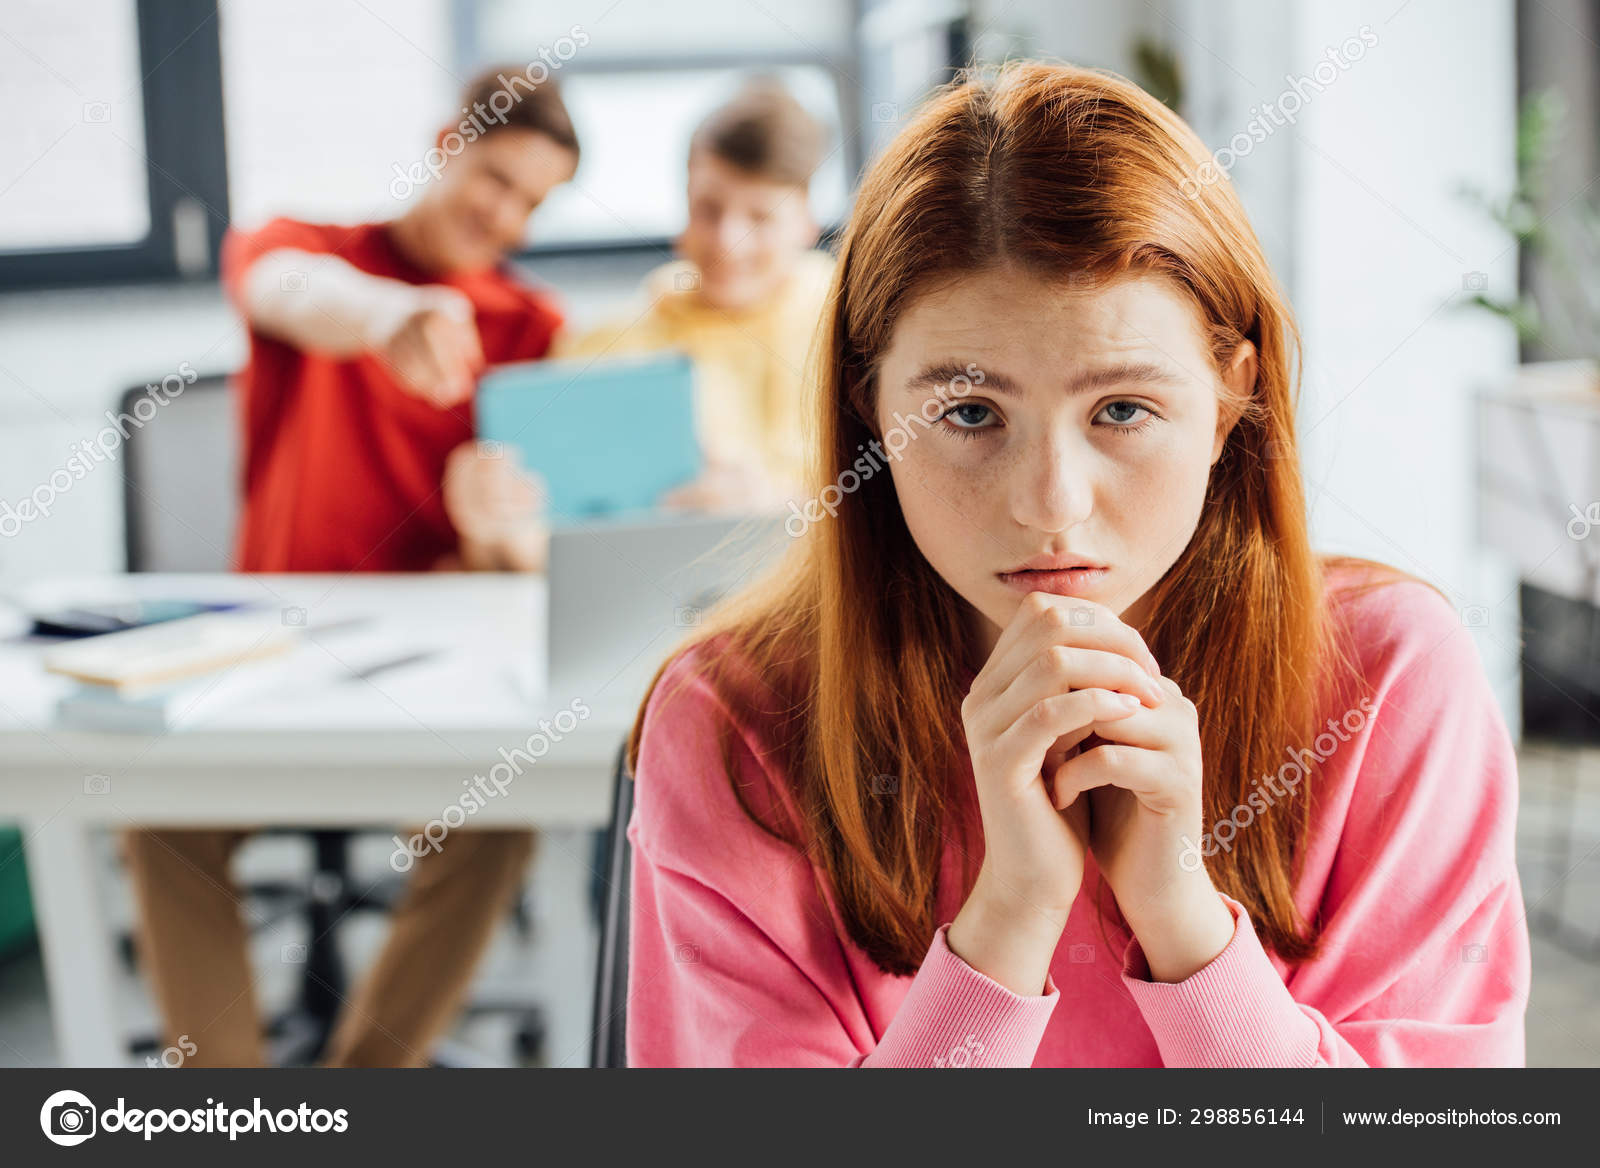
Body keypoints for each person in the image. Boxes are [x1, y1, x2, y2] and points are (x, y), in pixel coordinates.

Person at [622, 62, 1530, 1067]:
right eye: (968, 414)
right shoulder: (732, 721)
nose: (1050, 501)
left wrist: (1183, 920)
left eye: (1122, 410)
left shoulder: (1390, 679)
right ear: (867, 405)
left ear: (1232, 395)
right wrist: (1006, 922)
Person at [121, 65, 578, 1067]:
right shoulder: (306, 248)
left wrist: (496, 535)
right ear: (448, 140)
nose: (505, 216)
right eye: (495, 178)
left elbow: (533, 547)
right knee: (160, 818)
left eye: (532, 203)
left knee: (498, 818)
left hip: (437, 655)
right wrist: (385, 319)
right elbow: (293, 294)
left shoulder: (533, 329)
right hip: (277, 648)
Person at [554, 78, 834, 511]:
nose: (728, 240)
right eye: (709, 208)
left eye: (760, 216)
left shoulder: (860, 328)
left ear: (806, 221)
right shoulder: (604, 349)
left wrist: (778, 505)